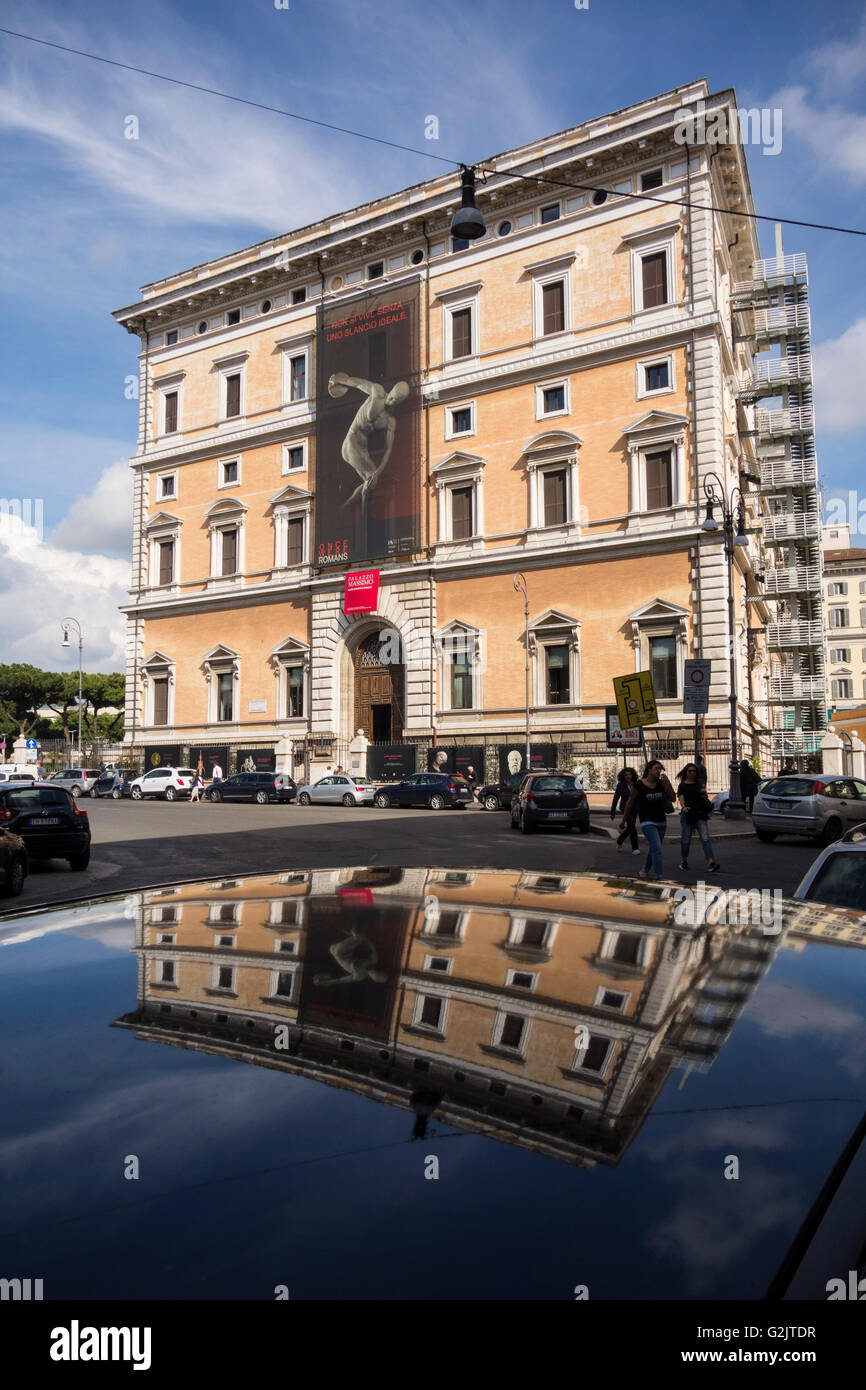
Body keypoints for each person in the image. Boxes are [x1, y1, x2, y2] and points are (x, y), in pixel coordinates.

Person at [620, 760, 676, 880]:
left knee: (654, 849)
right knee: (657, 848)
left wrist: (668, 784)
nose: (658, 771)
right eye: (656, 768)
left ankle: (644, 869)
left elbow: (673, 798)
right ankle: (659, 877)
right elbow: (630, 803)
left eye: (660, 769)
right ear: (649, 769)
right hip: (647, 822)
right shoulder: (639, 785)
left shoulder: (661, 784)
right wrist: (623, 820)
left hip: (661, 821)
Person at [677, 764, 720, 872]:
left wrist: (703, 792)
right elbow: (681, 798)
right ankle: (684, 861)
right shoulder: (682, 786)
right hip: (688, 814)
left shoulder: (699, 784)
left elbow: (703, 798)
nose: (692, 773)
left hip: (700, 814)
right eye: (690, 771)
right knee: (686, 840)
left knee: (705, 838)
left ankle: (711, 862)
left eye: (694, 771)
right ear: (686, 772)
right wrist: (683, 807)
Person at [610, 767, 640, 853]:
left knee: (630, 828)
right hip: (625, 808)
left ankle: (619, 841)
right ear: (623, 776)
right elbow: (616, 798)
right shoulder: (621, 785)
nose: (628, 776)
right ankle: (635, 848)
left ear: (632, 775)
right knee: (633, 828)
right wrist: (612, 812)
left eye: (630, 774)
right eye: (626, 775)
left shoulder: (636, 784)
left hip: (634, 808)